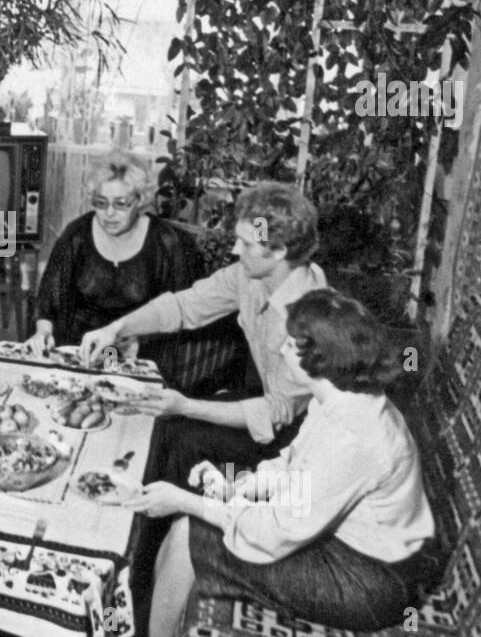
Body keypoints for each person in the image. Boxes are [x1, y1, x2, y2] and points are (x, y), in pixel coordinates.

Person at [128, 288, 438, 637]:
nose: (280, 347)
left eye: (292, 343)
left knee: (190, 529)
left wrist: (187, 501)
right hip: (348, 541)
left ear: (321, 358)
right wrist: (235, 485)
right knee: (196, 515)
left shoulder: (354, 436)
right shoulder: (340, 396)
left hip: (372, 581)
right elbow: (294, 468)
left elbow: (274, 530)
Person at [80, 181, 328, 483]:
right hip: (265, 403)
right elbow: (184, 306)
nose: (236, 250)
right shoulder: (249, 276)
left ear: (279, 250)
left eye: (247, 244)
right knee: (164, 424)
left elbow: (278, 412)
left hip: (300, 442)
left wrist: (187, 406)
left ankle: (164, 522)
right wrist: (116, 328)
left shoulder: (310, 318)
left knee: (181, 438)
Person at [25, 152, 243, 395]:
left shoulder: (170, 243)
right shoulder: (77, 233)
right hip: (80, 347)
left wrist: (139, 340)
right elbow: (49, 296)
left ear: (140, 200)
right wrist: (43, 331)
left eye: (120, 204)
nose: (108, 213)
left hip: (144, 348)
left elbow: (184, 311)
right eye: (100, 202)